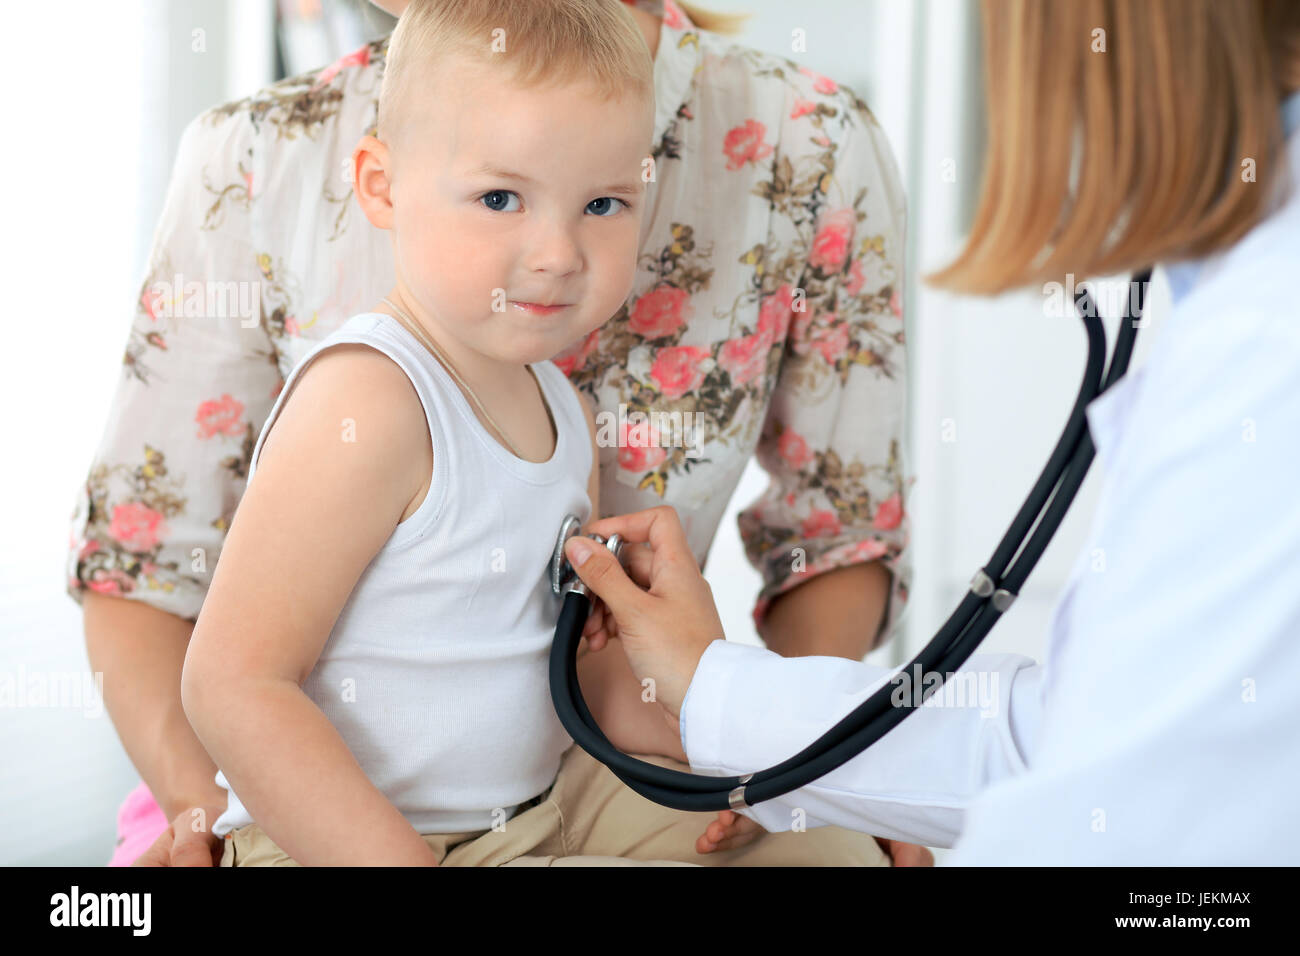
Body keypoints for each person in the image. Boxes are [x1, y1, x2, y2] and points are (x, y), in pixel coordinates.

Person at [68, 0, 923, 865]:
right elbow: (230, 683)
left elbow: (559, 669)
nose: (557, 253)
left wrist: (747, 746)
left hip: (541, 797)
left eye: (604, 203)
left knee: (832, 852)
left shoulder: (561, 412)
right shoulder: (361, 404)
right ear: (380, 188)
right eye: (501, 198)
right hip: (354, 830)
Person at [562, 0, 1300, 864]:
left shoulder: (1265, 350)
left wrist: (768, 745)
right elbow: (1066, 738)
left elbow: (1115, 818)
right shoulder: (1248, 308)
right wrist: (727, 702)